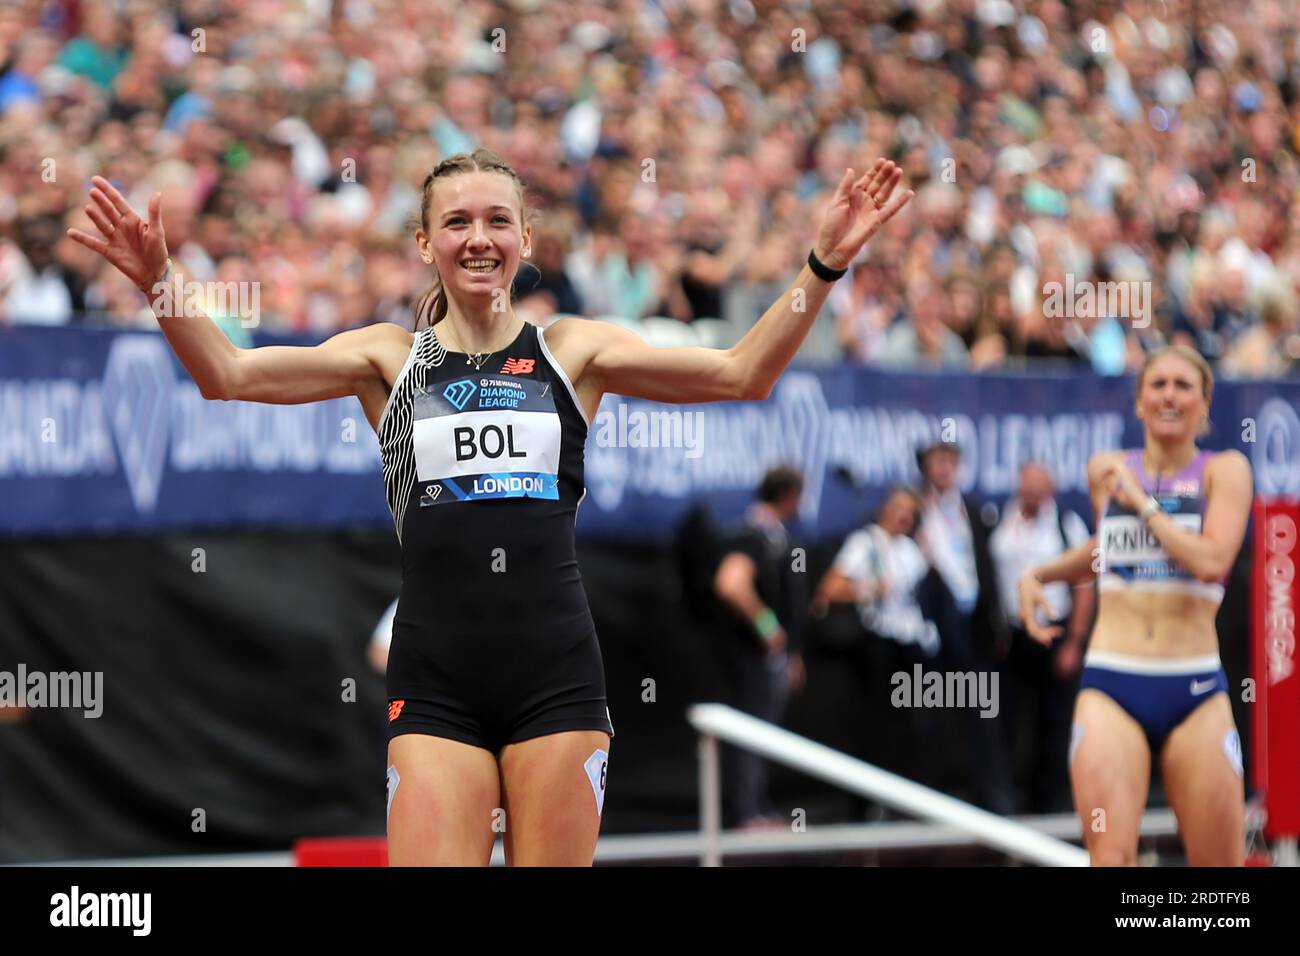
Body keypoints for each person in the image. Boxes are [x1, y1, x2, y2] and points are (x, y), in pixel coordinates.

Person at [68, 151, 913, 865]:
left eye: (498, 221)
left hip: (556, 676)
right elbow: (229, 375)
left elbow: (742, 374)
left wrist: (824, 265)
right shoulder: (385, 359)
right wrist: (161, 279)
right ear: (426, 242)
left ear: (526, 239)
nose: (480, 238)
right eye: (459, 221)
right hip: (436, 681)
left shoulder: (573, 350)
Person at [1018, 345, 1251, 866]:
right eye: (1158, 384)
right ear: (1139, 402)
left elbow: (1211, 559)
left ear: (1205, 404)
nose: (1170, 395)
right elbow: (1111, 553)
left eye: (1184, 385)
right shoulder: (1108, 469)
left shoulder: (1224, 471)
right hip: (1113, 681)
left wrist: (1144, 504)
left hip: (1193, 684)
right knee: (1111, 858)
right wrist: (1041, 573)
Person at [813, 485, 939, 795]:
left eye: (911, 512)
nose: (905, 517)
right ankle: (870, 800)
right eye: (899, 509)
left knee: (918, 723)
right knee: (875, 724)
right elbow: (828, 590)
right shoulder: (864, 543)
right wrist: (869, 588)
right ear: (884, 510)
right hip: (877, 644)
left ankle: (915, 796)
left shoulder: (912, 550)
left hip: (912, 645)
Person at [988, 461, 1093, 813]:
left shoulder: (1067, 526)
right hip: (1012, 637)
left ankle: (1048, 804)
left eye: (1039, 485)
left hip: (1053, 634)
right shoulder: (999, 521)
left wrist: (1074, 642)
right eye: (1026, 484)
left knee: (1054, 722)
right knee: (1001, 720)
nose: (1032, 492)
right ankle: (1001, 804)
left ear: (1052, 490)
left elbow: (1083, 585)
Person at [914, 439, 1013, 813]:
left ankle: (995, 804)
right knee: (929, 718)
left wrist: (998, 624)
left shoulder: (975, 512)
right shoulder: (915, 511)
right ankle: (926, 808)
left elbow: (989, 570)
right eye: (937, 461)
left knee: (984, 718)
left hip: (974, 630)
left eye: (950, 461)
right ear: (925, 466)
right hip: (931, 632)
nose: (943, 468)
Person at [712, 466, 808, 829]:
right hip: (753, 658)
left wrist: (790, 653)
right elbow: (730, 584)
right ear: (789, 495)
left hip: (769, 661)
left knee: (761, 734)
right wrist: (769, 628)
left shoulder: (774, 536)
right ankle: (747, 814)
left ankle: (756, 808)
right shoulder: (754, 535)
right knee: (749, 733)